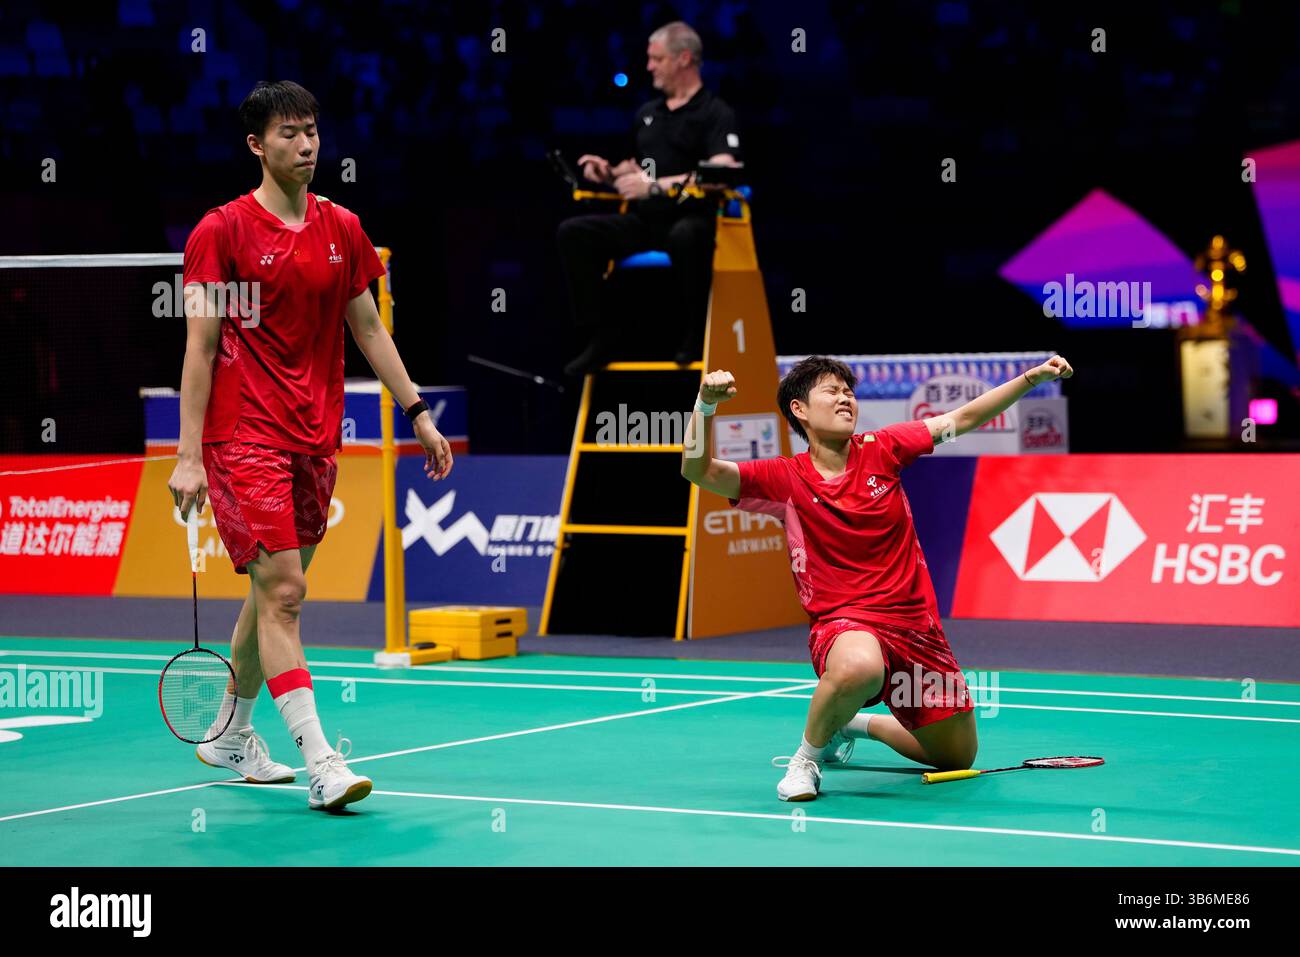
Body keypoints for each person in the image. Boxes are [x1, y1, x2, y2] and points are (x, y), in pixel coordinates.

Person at [167, 80, 454, 811]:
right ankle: (322, 759)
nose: (307, 144)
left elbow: (369, 327)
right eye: (290, 133)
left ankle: (230, 731)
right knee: (287, 594)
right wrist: (189, 454)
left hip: (315, 438)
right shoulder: (221, 232)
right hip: (243, 434)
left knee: (272, 598)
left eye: (313, 131)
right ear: (256, 145)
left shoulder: (343, 227)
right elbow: (200, 348)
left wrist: (417, 409)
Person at [680, 354, 1074, 800]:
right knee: (859, 667)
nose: (845, 397)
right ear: (799, 410)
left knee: (956, 757)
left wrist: (1030, 378)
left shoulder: (884, 449)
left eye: (849, 391)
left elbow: (961, 418)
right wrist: (705, 406)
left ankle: (851, 723)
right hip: (845, 623)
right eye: (831, 390)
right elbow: (698, 470)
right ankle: (805, 759)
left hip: (916, 627)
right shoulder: (783, 478)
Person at [558, 20, 741, 376]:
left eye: (656, 59)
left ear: (684, 58)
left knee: (684, 236)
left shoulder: (716, 113)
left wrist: (656, 186)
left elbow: (721, 174)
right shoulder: (647, 114)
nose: (649, 67)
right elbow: (636, 169)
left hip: (694, 220)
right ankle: (601, 336)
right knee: (574, 232)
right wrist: (609, 173)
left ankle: (694, 336)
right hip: (646, 220)